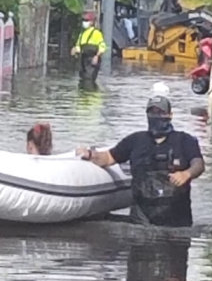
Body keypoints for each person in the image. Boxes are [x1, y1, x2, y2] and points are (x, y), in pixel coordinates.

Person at [77, 95, 204, 227]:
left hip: (176, 221)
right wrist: (89, 154)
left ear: (170, 115)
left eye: (160, 112)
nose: (155, 116)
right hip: (141, 220)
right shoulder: (135, 140)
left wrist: (186, 174)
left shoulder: (185, 140)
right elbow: (108, 158)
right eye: (152, 112)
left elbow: (198, 164)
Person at [72, 11, 107, 83]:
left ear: (91, 22)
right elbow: (79, 46)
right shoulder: (82, 34)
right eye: (83, 20)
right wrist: (74, 50)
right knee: (82, 80)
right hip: (83, 60)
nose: (84, 22)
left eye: (86, 20)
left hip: (92, 59)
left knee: (89, 80)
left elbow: (102, 46)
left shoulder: (96, 33)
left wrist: (97, 56)